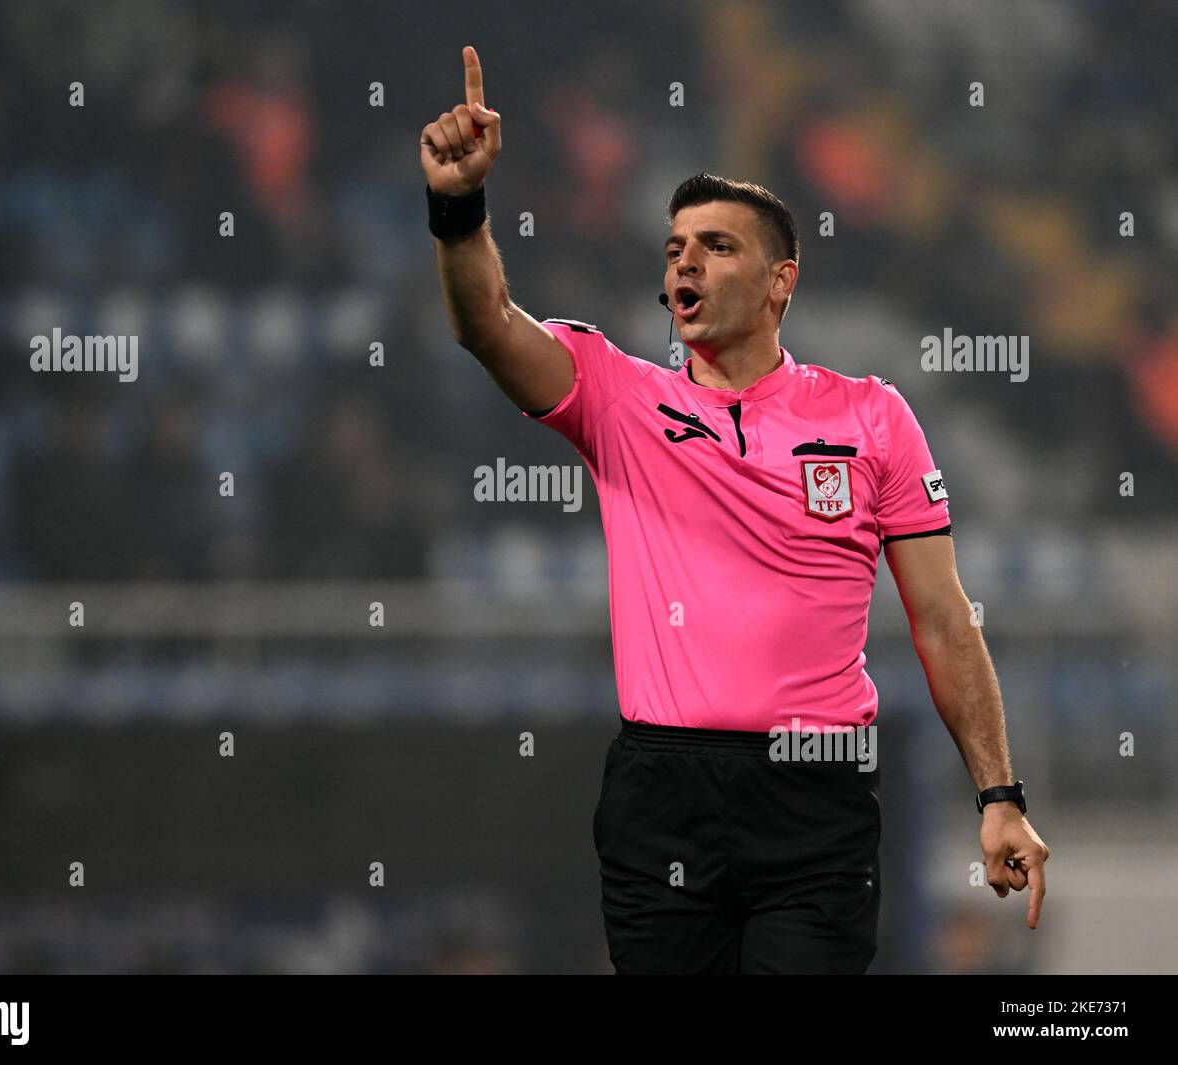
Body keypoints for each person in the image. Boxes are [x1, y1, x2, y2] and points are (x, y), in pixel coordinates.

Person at [421, 45, 1050, 974]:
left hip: (817, 795)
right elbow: (486, 324)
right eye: (676, 247)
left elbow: (943, 618)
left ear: (781, 281)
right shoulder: (618, 396)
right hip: (662, 792)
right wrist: (459, 206)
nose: (688, 260)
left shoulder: (872, 418)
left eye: (718, 246)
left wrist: (999, 795)